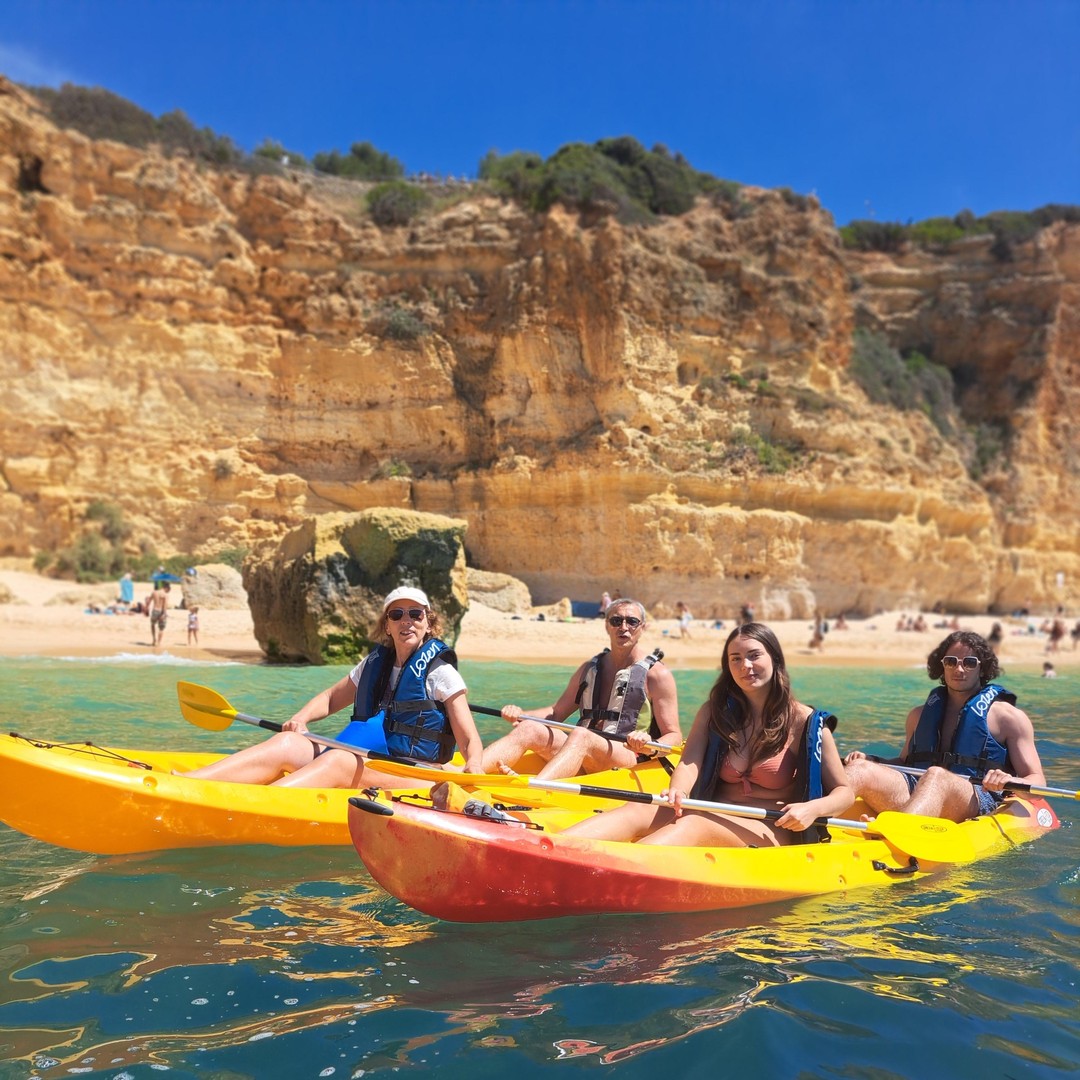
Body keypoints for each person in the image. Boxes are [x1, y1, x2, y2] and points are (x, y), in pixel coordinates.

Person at [565, 622, 851, 846]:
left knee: (693, 825)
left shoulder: (806, 722)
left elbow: (844, 792)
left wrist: (812, 809)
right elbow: (690, 762)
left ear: (775, 659)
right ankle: (551, 848)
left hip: (769, 826)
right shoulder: (715, 712)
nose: (745, 666)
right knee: (636, 810)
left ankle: (616, 870)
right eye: (735, 659)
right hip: (710, 809)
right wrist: (678, 789)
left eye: (754, 656)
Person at [181, 587, 484, 788]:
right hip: (373, 760)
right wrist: (300, 720)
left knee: (340, 759)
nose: (407, 621)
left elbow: (469, 739)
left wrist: (473, 767)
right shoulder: (374, 664)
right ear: (387, 625)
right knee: (289, 744)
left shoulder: (440, 673)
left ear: (428, 624)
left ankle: (260, 801)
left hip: (418, 775)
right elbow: (329, 698)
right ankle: (188, 783)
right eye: (397, 615)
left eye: (415, 614)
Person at [843, 630, 1046, 822]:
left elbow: (1038, 781)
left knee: (936, 775)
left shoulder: (1009, 718)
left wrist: (1008, 779)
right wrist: (873, 760)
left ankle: (894, 829)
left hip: (977, 795)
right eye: (951, 662)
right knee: (859, 768)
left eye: (969, 663)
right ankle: (815, 816)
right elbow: (905, 763)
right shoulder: (918, 715)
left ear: (982, 668)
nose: (959, 669)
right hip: (918, 787)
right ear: (942, 666)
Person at [480, 598, 681, 780]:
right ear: (607, 626)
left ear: (642, 627)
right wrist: (522, 715)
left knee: (581, 734)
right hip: (585, 749)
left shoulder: (657, 675)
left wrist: (648, 743)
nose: (624, 627)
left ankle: (537, 788)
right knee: (530, 728)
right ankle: (471, 770)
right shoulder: (589, 669)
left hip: (625, 756)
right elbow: (556, 713)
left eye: (632, 621)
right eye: (616, 621)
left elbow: (674, 735)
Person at [147, 581, 170, 646]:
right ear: (166, 588)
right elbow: (165, 606)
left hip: (154, 610)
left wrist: (146, 608)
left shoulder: (154, 592)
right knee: (161, 628)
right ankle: (158, 643)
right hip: (161, 611)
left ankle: (154, 639)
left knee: (153, 624)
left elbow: (149, 601)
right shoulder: (165, 595)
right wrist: (164, 614)